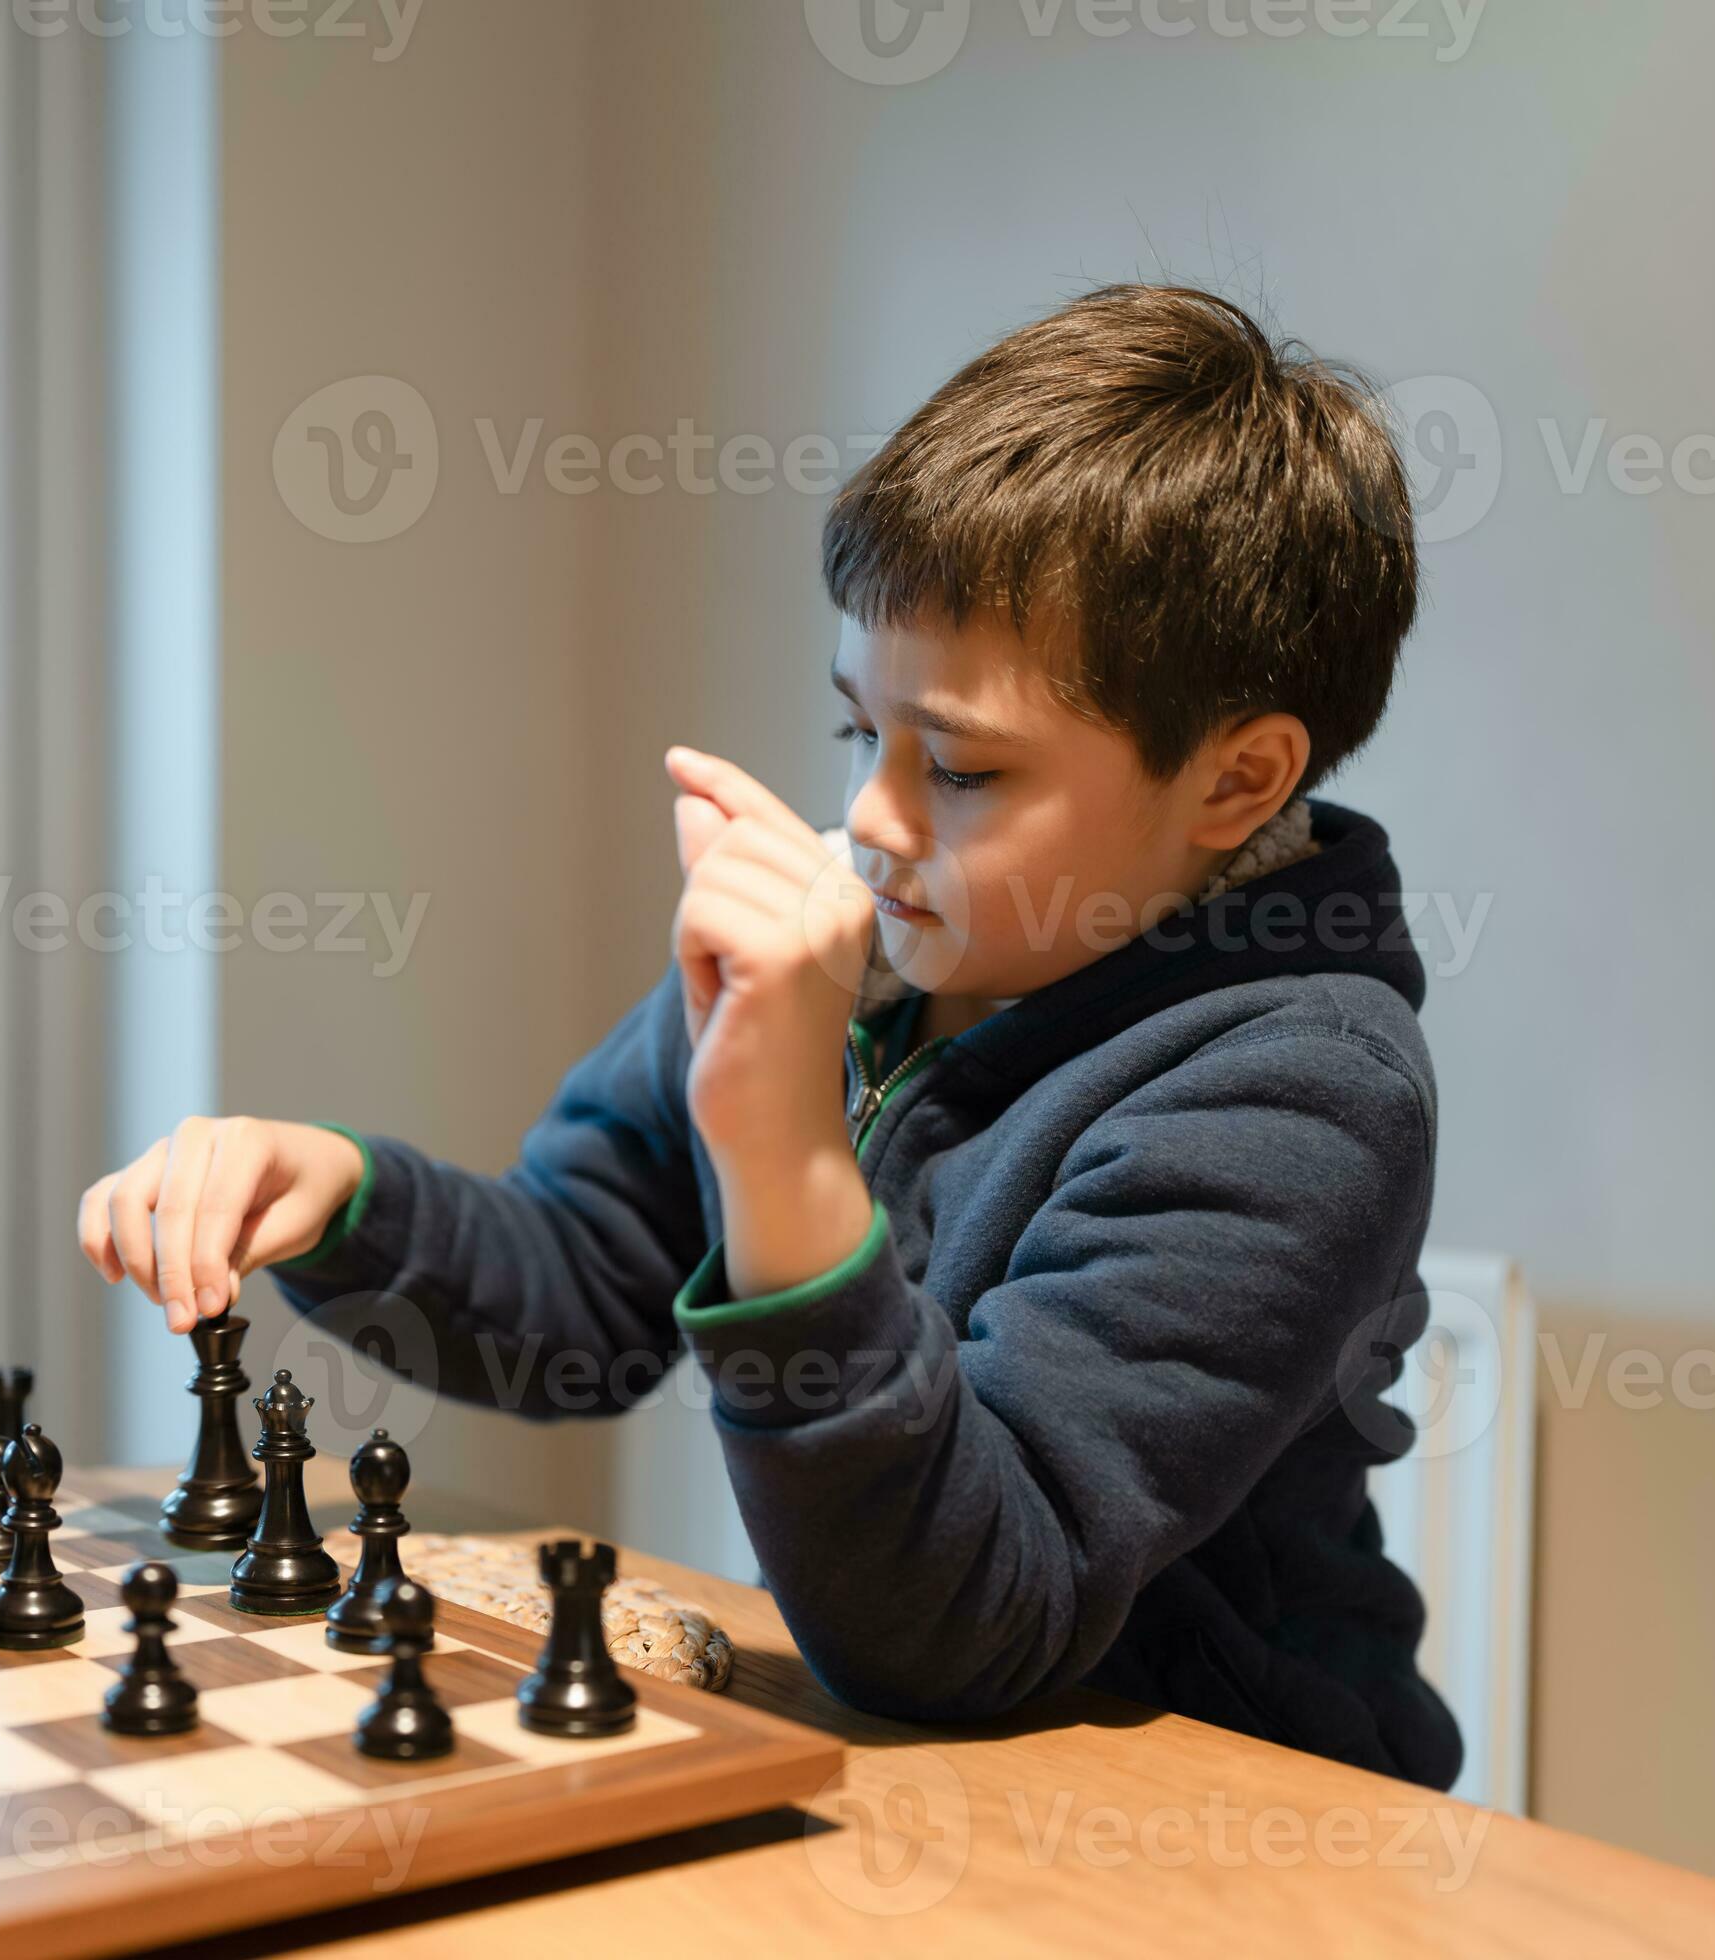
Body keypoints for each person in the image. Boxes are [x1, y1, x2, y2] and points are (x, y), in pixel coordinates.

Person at [77, 285, 1462, 1788]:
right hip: (915, 1777)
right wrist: (343, 1191)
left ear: (1236, 782)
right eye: (857, 732)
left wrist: (784, 1151)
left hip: (1223, 1828)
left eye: (965, 768)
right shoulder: (873, 952)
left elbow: (962, 1621)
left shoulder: (1302, 1092)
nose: (869, 819)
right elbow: (583, 1295)